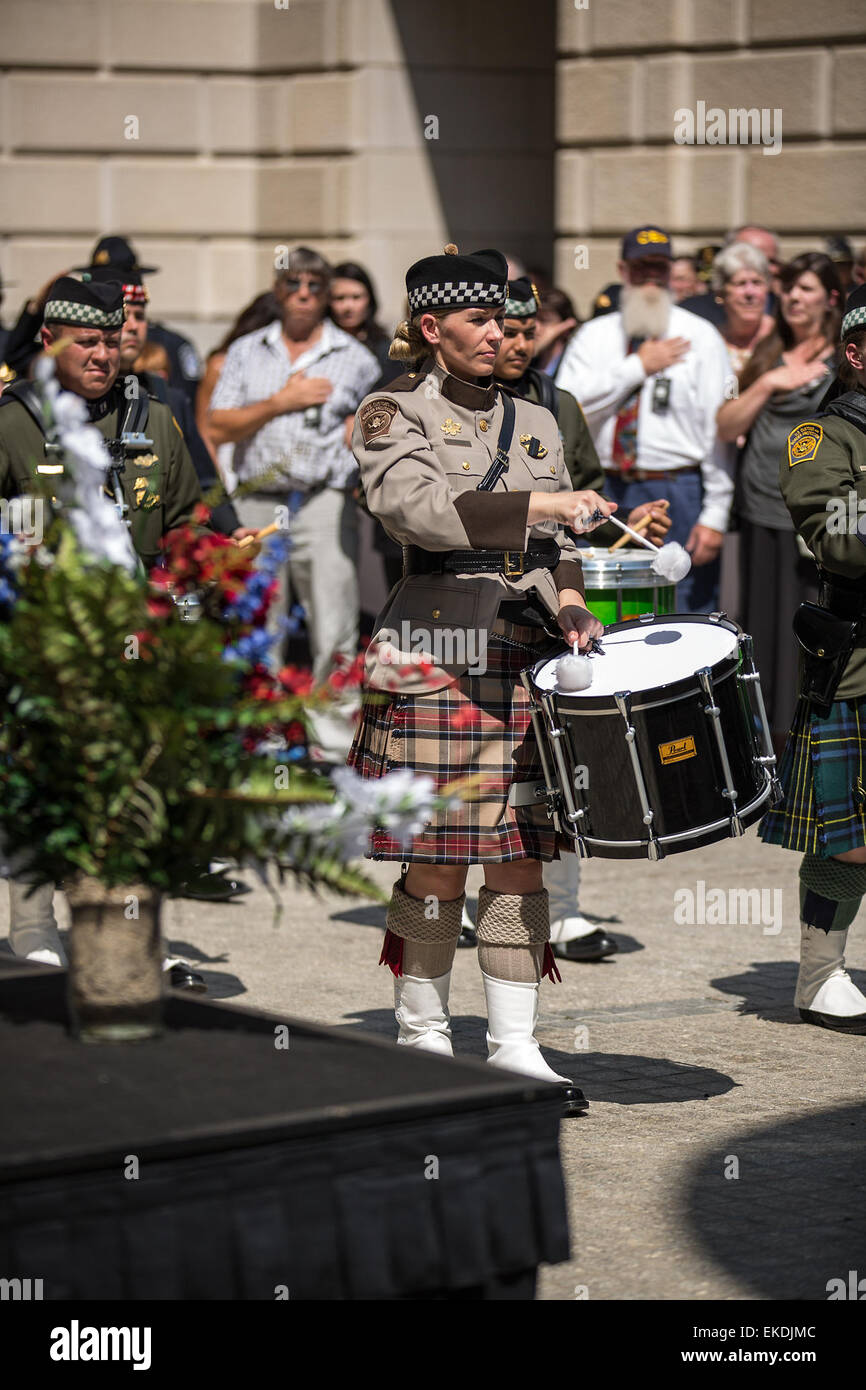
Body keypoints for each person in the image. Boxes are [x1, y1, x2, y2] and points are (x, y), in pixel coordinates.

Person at [349, 243, 619, 1115]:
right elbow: (417, 511)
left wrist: (571, 602)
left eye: (503, 318)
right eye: (478, 319)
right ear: (432, 327)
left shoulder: (537, 420)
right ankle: (424, 1039)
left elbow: (563, 547)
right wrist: (541, 507)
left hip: (522, 656)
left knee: (519, 861)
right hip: (437, 650)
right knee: (434, 864)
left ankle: (514, 1048)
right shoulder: (390, 412)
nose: (498, 331)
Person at [0, 275, 209, 988]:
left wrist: (186, 608)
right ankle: (31, 928)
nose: (102, 354)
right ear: (51, 340)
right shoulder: (16, 419)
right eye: (84, 341)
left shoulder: (152, 418)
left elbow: (186, 523)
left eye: (109, 339)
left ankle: (130, 930)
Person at [492, 277, 671, 963]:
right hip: (469, 610)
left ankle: (560, 913)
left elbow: (584, 507)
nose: (514, 341)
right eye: (502, 328)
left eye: (525, 329)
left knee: (556, 766)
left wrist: (624, 528)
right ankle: (454, 891)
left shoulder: (557, 403)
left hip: (550, 605)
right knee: (476, 774)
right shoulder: (437, 400)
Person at [207, 246, 381, 765]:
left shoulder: (355, 356)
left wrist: (357, 438)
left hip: (322, 499)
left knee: (335, 620)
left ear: (327, 293)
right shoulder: (246, 351)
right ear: (276, 290)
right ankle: (264, 737)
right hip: (258, 503)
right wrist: (280, 402)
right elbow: (218, 427)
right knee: (260, 620)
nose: (303, 294)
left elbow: (380, 423)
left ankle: (331, 748)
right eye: (293, 284)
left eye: (314, 285)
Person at [759, 283, 866, 1034]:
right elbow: (840, 539)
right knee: (854, 837)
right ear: (856, 353)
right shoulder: (821, 438)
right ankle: (820, 976)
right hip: (860, 657)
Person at [557, 224, 736, 614]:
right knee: (600, 605)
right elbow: (567, 409)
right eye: (641, 268)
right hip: (603, 489)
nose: (651, 277)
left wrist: (716, 514)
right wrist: (637, 367)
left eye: (660, 267)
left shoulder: (701, 336)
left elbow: (716, 428)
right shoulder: (594, 336)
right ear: (623, 271)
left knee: (683, 607)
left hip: (677, 490)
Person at [717, 253, 841, 747]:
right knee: (761, 628)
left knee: (806, 630)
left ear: (831, 298)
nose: (793, 297)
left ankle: (810, 739)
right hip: (758, 510)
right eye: (788, 288)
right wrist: (769, 382)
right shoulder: (767, 351)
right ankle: (764, 742)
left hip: (812, 520)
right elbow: (726, 425)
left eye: (806, 289)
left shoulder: (843, 357)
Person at [84, 237, 203, 405]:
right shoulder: (71, 394)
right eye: (122, 316)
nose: (133, 327)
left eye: (139, 316)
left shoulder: (172, 351)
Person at [709, 242, 776, 376]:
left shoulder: (783, 335)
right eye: (740, 283)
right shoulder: (710, 340)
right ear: (720, 294)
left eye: (757, 283)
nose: (750, 293)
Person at [532, 286, 579, 379]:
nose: (535, 327)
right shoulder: (529, 364)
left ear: (566, 327)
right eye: (534, 319)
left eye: (544, 321)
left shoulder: (574, 364)